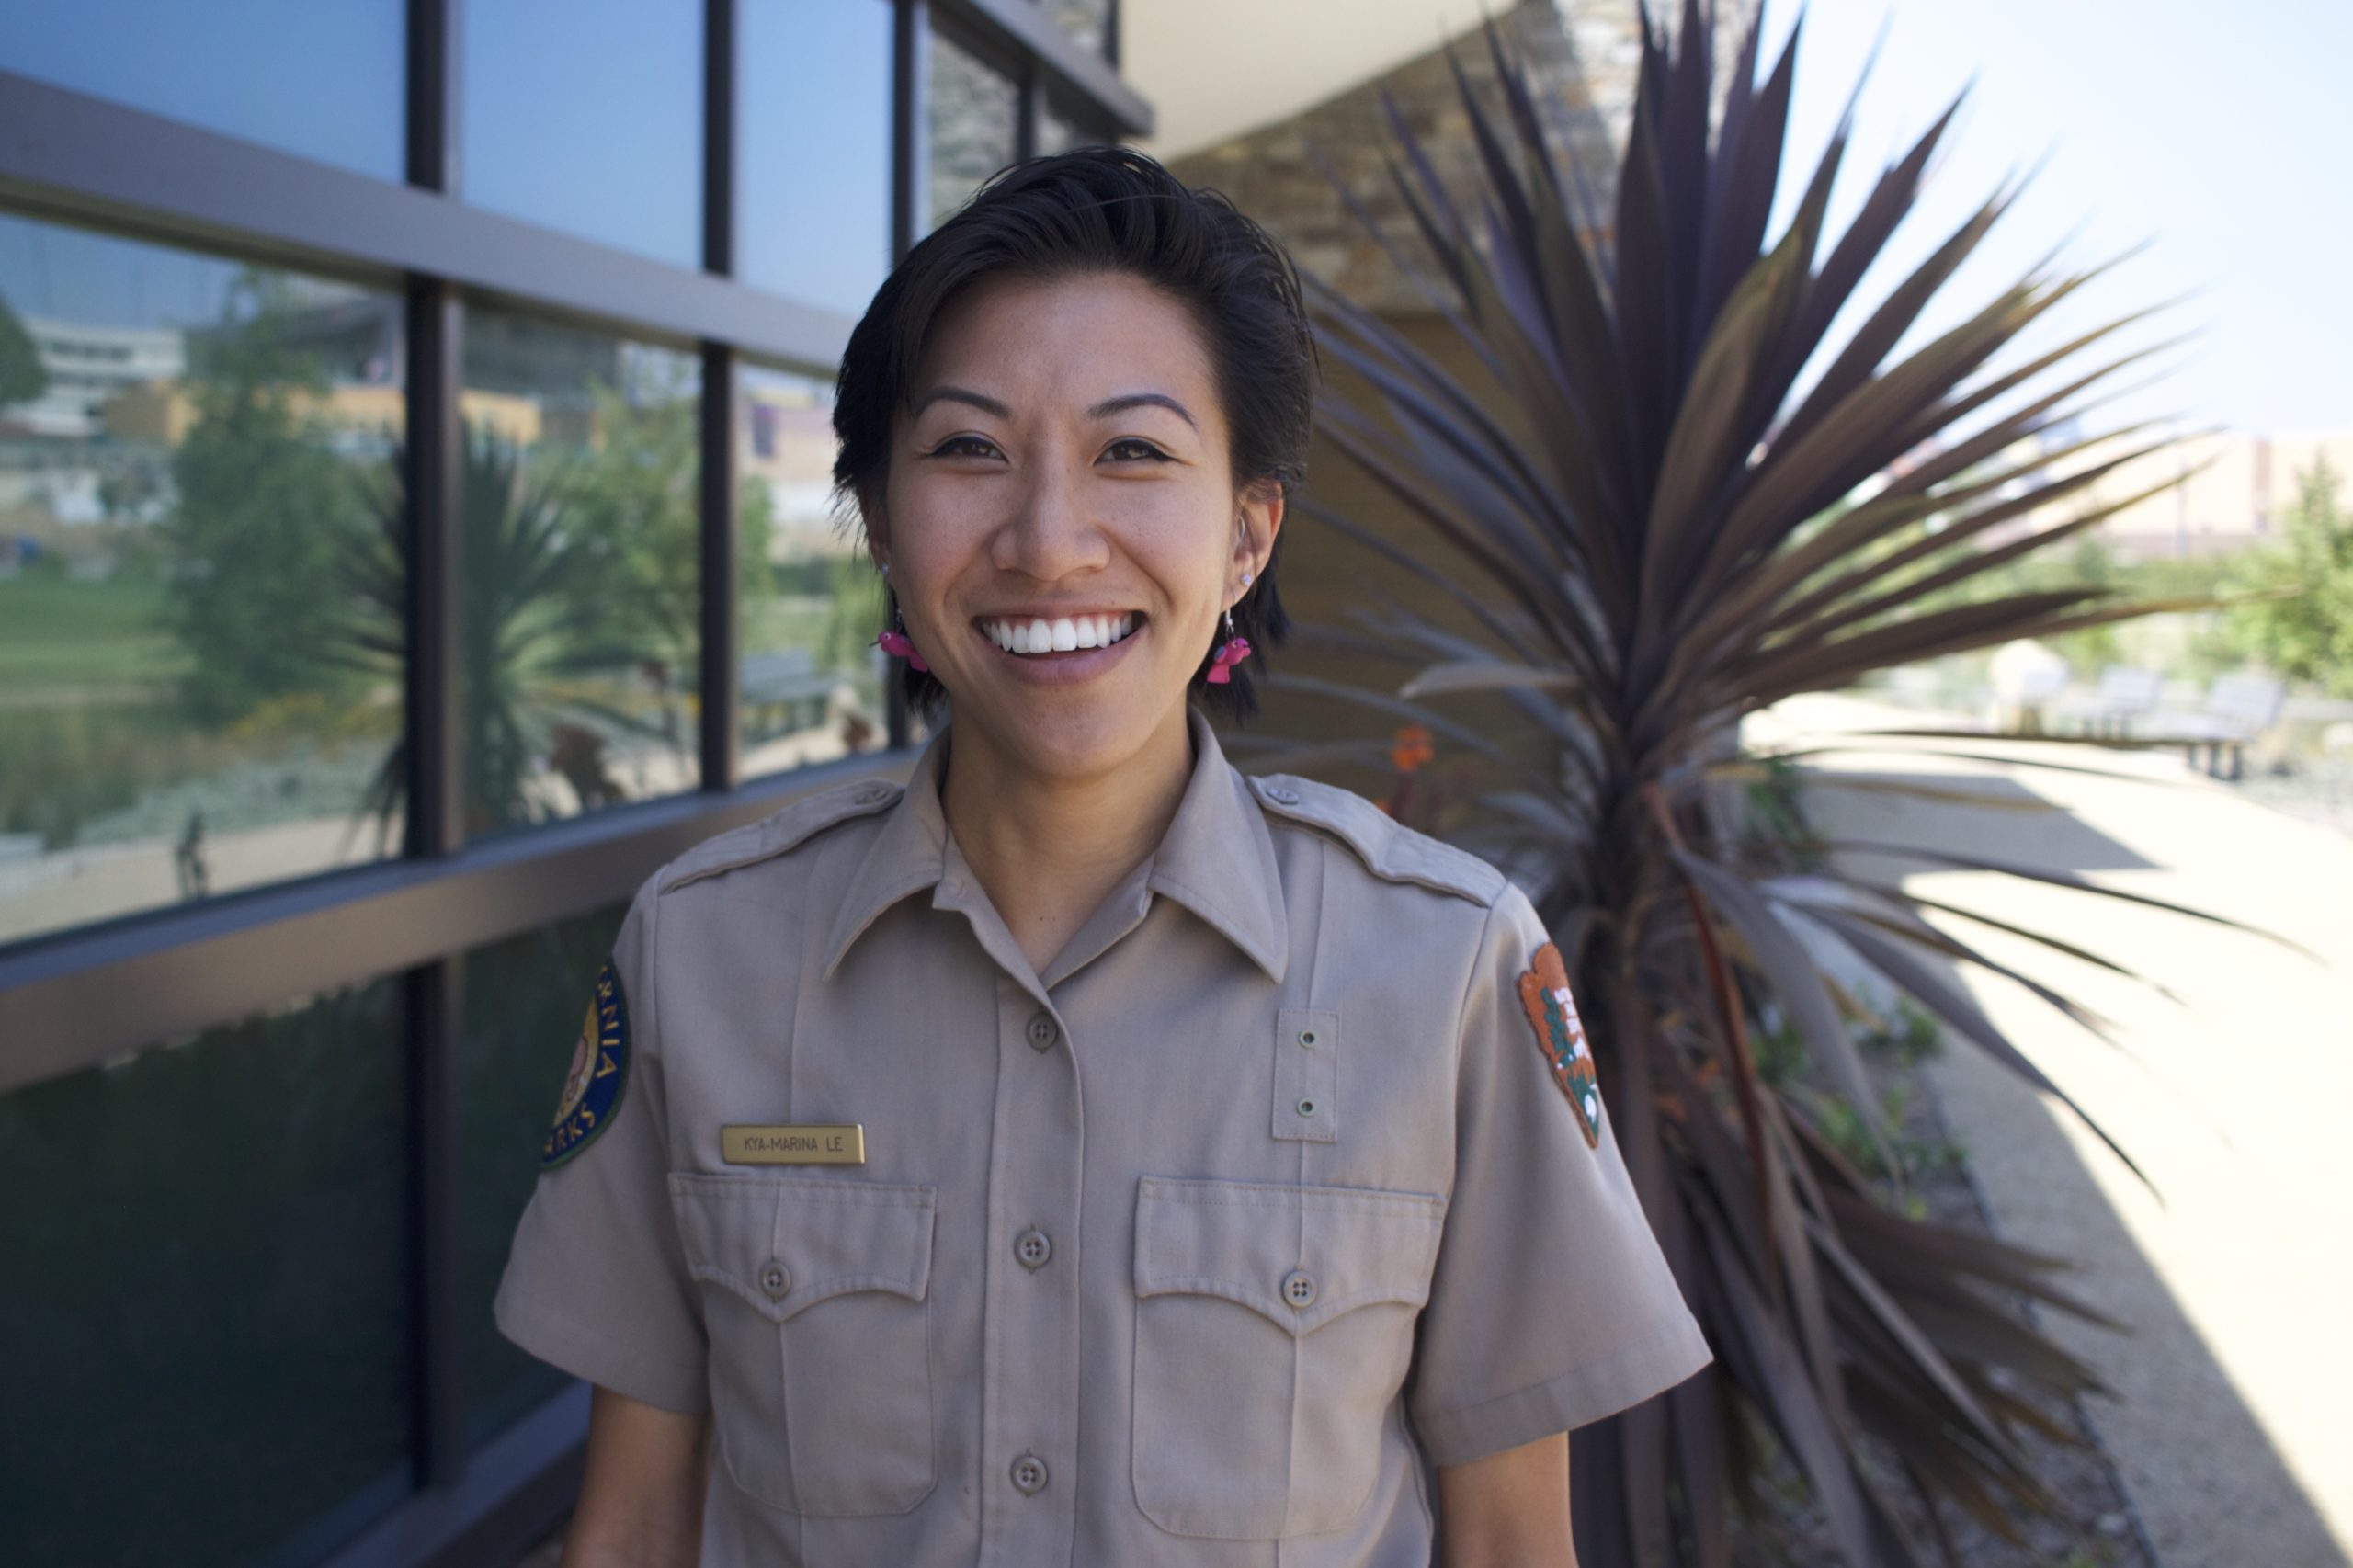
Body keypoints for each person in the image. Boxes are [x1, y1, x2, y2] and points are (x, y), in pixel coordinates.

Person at [494, 146, 1709, 1567]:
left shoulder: (1442, 972)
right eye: (967, 450)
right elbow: (635, 1527)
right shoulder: (704, 953)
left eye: (1132, 452)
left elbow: (1509, 1545)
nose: (1049, 541)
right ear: (882, 522)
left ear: (1248, 533)